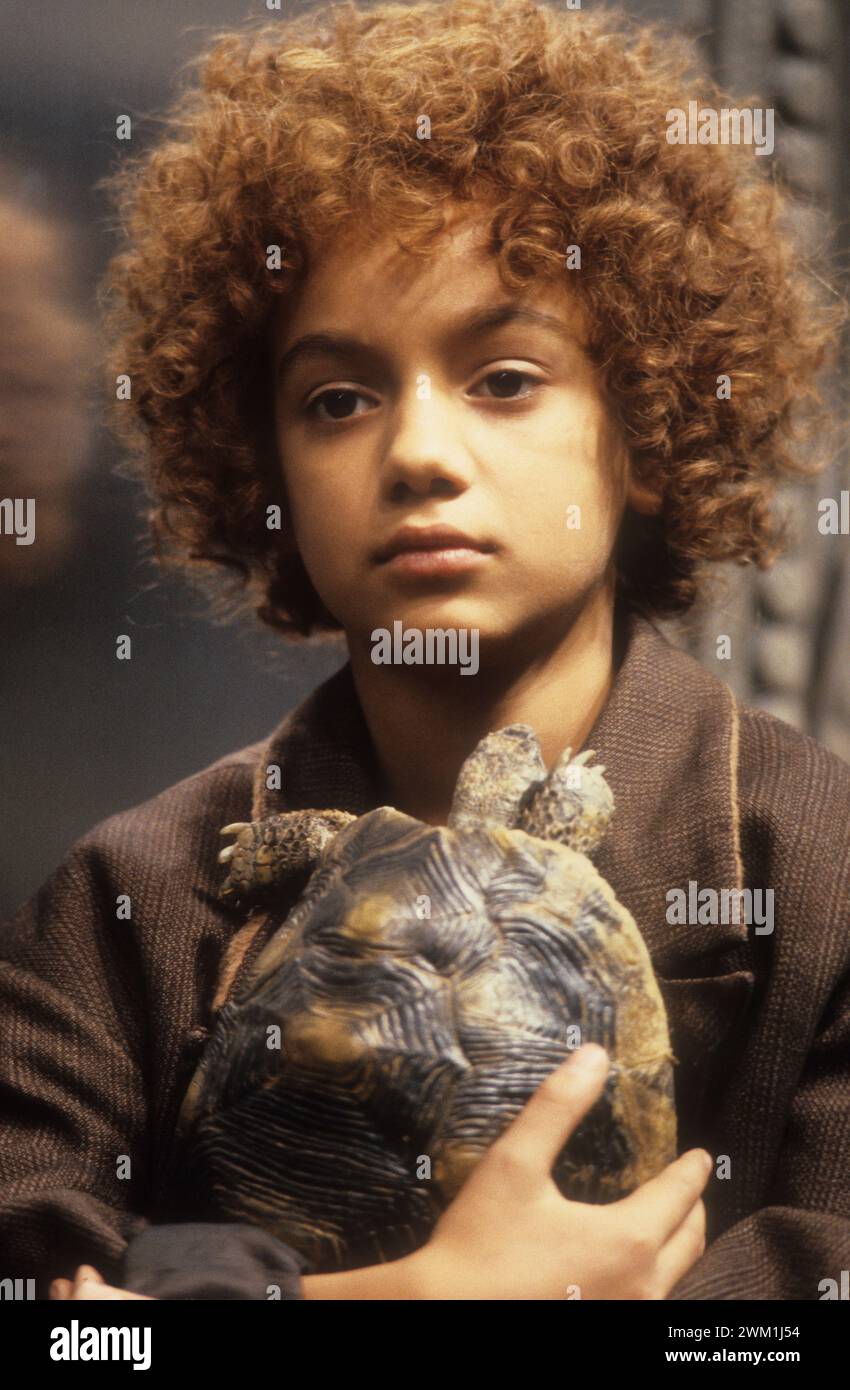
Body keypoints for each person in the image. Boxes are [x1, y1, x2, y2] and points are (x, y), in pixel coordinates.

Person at [3, 0, 849, 1301]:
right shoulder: (131, 901)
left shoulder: (824, 877)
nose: (417, 454)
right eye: (337, 398)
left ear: (643, 418)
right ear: (262, 456)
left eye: (504, 377)